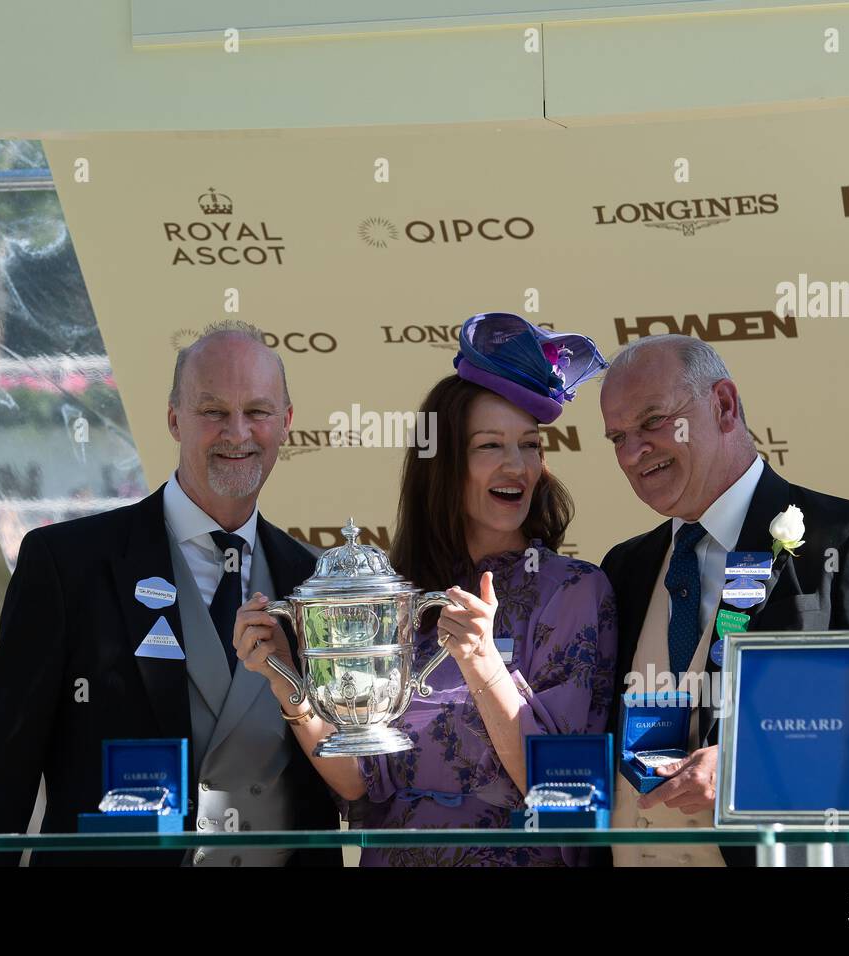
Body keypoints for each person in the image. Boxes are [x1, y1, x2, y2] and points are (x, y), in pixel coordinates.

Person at [0, 321, 341, 866]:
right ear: (174, 418)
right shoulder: (67, 566)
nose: (237, 433)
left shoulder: (319, 584)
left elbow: (351, 779)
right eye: (213, 412)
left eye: (257, 412)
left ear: (287, 423)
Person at [234, 312, 617, 866]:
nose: (518, 466)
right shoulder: (398, 593)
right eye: (490, 446)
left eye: (530, 445)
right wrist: (283, 678)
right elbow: (361, 781)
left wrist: (484, 667)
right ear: (444, 466)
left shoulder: (579, 593)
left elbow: (565, 794)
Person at [597, 333, 849, 866]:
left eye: (653, 422)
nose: (633, 453)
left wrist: (748, 771)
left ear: (723, 405)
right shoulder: (623, 568)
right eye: (617, 438)